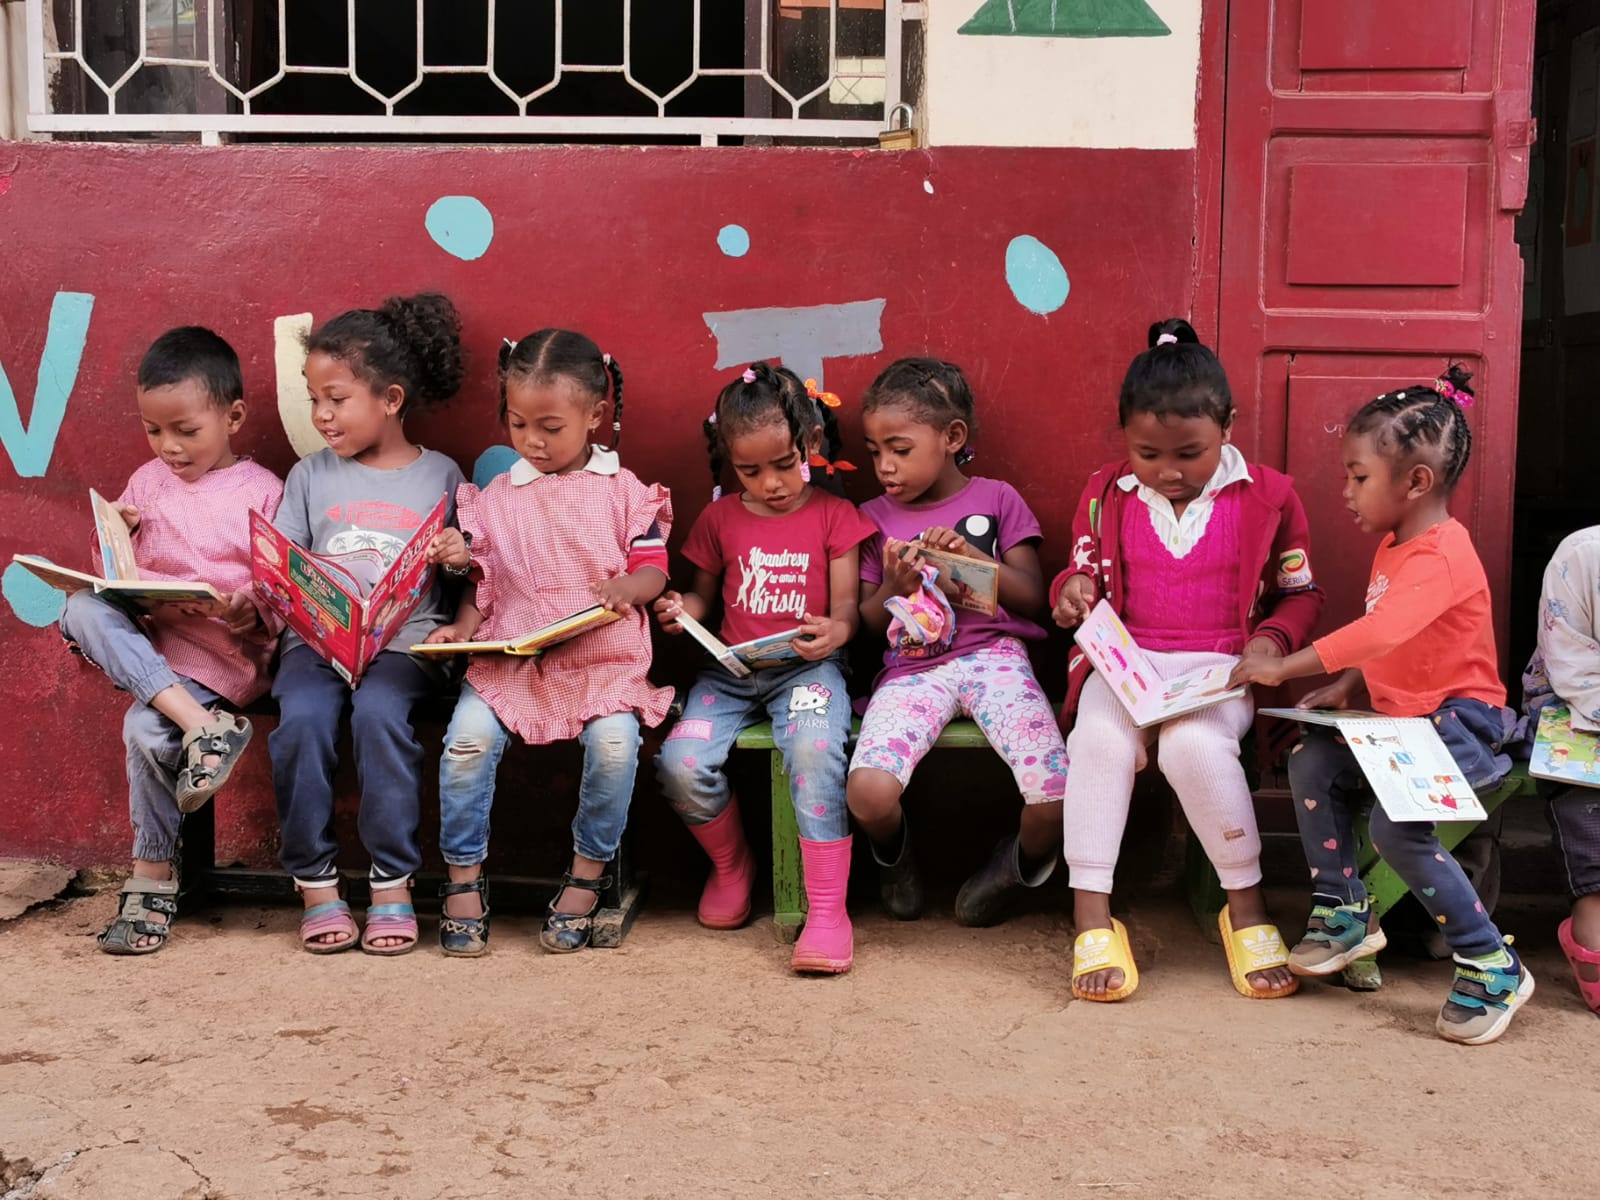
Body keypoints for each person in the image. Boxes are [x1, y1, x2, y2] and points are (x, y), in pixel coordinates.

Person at [1230, 366, 1531, 1045]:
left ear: (1416, 482)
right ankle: (1345, 910)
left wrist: (1287, 664)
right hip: (1401, 718)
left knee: (1400, 830)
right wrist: (1348, 686)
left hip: (1458, 719)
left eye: (1358, 477)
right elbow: (1393, 642)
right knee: (1310, 762)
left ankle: (1492, 962)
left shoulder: (1439, 556)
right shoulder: (1396, 547)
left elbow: (1382, 629)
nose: (1345, 493)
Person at [1052, 318, 1322, 1002]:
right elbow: (1077, 571)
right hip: (1128, 667)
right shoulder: (1105, 492)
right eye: (1147, 453)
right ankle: (1091, 915)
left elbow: (1300, 594)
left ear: (1228, 426)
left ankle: (1247, 908)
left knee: (1194, 750)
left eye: (1189, 453)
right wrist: (1072, 593)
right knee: (1099, 743)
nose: (1167, 472)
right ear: (1124, 438)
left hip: (1218, 670)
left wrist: (1271, 642)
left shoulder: (1269, 496)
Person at [426, 330, 671, 956]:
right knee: (465, 743)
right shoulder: (499, 495)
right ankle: (462, 879)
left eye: (550, 427)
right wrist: (463, 626)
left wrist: (630, 586)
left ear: (595, 416)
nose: (532, 441)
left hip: (602, 659)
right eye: (517, 423)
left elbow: (654, 567)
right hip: (513, 658)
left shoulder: (623, 490)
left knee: (616, 747)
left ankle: (587, 876)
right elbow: (487, 583)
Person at [60, 327, 282, 954]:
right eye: (154, 431)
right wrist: (117, 540)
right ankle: (200, 727)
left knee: (141, 730)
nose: (170, 447)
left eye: (186, 430)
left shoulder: (262, 491)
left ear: (233, 416)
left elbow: (281, 590)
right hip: (154, 650)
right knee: (78, 606)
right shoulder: (146, 482)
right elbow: (114, 581)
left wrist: (252, 608)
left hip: (218, 656)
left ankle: (152, 878)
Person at [654, 363, 875, 974]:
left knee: (813, 753)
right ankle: (732, 867)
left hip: (808, 671)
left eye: (783, 464)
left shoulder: (835, 515)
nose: (771, 483)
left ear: (809, 442)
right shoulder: (719, 518)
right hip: (729, 673)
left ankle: (827, 910)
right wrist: (682, 610)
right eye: (750, 471)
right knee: (681, 763)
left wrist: (837, 631)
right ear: (729, 461)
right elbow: (703, 596)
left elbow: (848, 609)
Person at [270, 292, 466, 956]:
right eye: (312, 399)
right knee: (301, 721)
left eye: (336, 398)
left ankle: (392, 883)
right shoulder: (308, 476)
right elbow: (285, 565)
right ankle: (316, 883)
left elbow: (468, 571)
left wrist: (460, 554)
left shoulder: (440, 476)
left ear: (390, 399)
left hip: (404, 645)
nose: (321, 415)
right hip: (316, 644)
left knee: (380, 718)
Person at [848, 357, 1068, 926]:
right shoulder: (871, 519)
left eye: (899, 448)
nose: (885, 467)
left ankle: (1011, 867)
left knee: (1055, 796)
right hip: (912, 669)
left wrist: (970, 563)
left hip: (996, 661)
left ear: (951, 437)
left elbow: (1033, 598)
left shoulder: (997, 500)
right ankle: (896, 859)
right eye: (875, 452)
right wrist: (895, 587)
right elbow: (869, 624)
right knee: (868, 793)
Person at [1519, 526, 1600, 1014]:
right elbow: (1572, 670)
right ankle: (1592, 918)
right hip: (1576, 708)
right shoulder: (1582, 554)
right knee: (1585, 794)